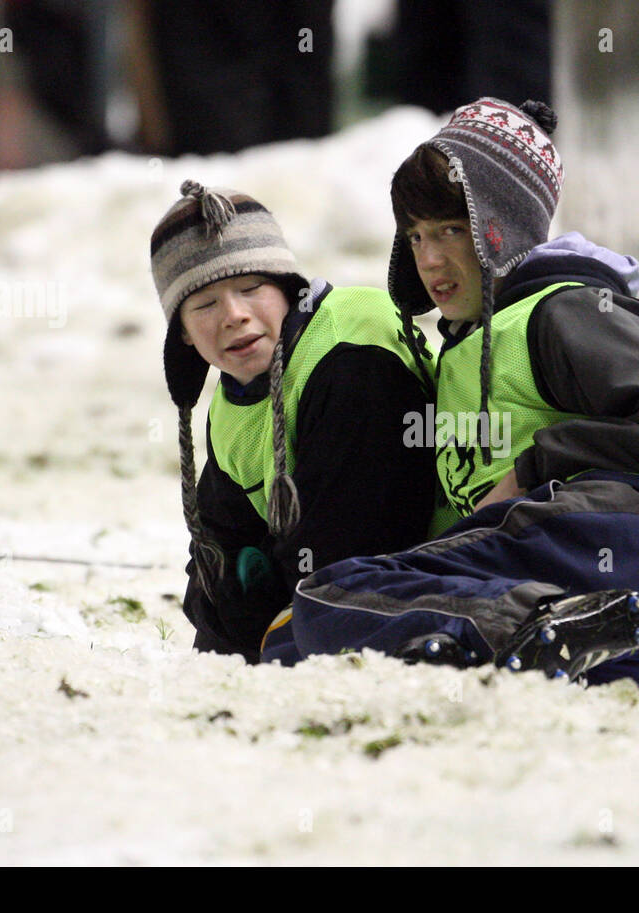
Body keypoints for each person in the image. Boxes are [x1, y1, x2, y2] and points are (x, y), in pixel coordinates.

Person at [277, 98, 639, 691]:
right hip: (635, 630)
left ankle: (531, 623)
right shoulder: (461, 358)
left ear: (505, 224)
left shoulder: (564, 309)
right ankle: (528, 644)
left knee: (325, 602)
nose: (430, 259)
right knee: (296, 637)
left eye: (452, 229)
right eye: (416, 235)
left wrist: (536, 466)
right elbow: (465, 527)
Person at [152, 180, 446, 663]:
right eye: (204, 304)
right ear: (183, 333)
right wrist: (229, 602)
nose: (234, 316)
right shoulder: (233, 402)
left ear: (288, 289)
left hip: (430, 575)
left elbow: (356, 541)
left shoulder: (353, 352)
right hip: (325, 586)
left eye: (250, 289)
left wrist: (258, 612)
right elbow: (215, 550)